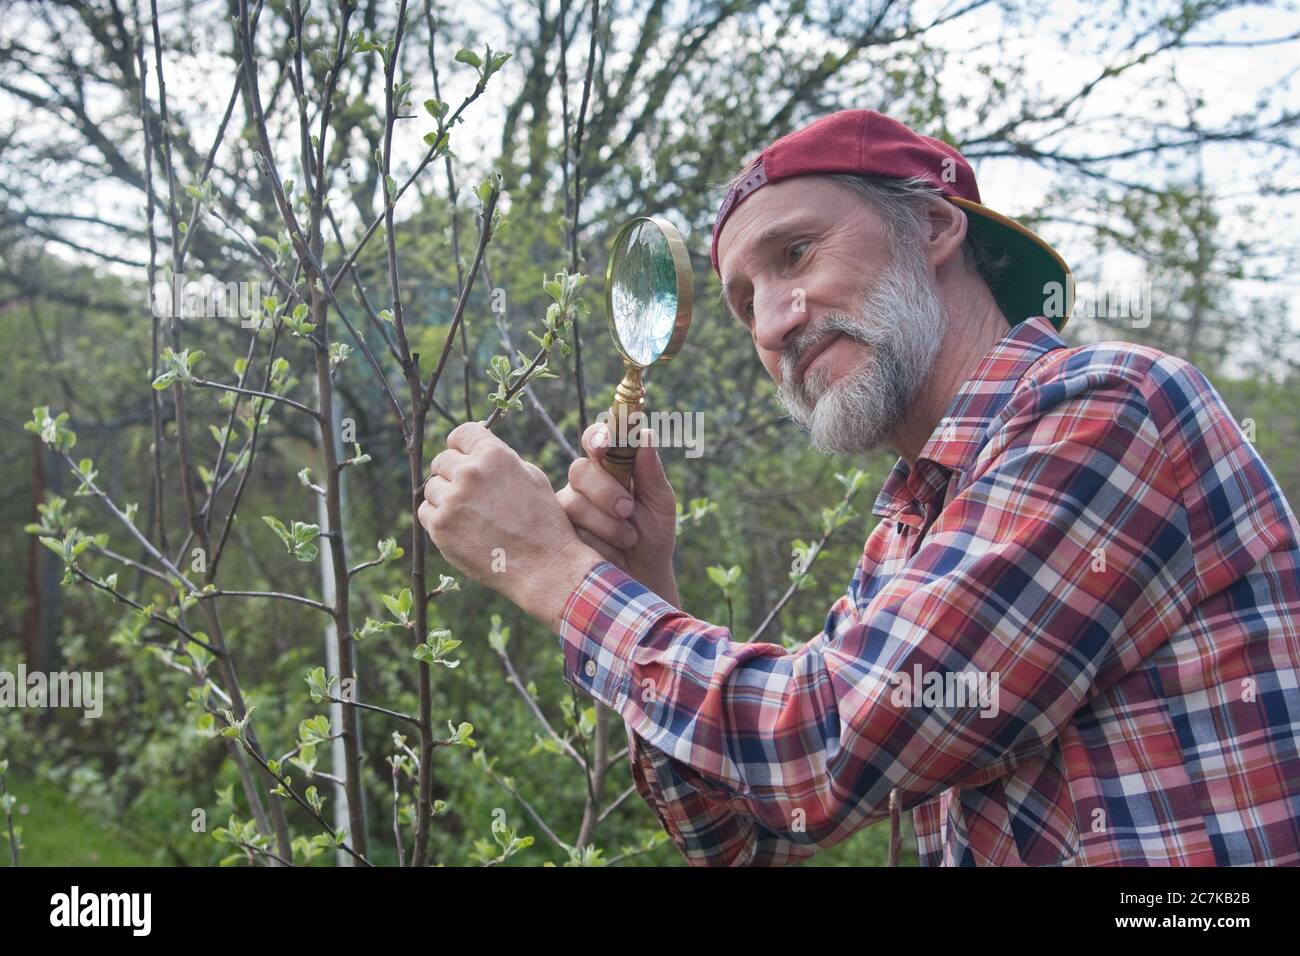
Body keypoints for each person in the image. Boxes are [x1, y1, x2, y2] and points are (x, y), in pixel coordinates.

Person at [420, 109, 1300, 866]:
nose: (772, 321)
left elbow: (821, 743)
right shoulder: (913, 518)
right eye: (743, 301)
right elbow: (751, 835)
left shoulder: (1108, 407)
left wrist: (550, 571)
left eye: (795, 253)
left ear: (932, 227)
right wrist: (643, 582)